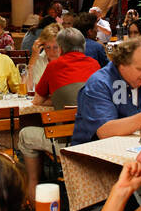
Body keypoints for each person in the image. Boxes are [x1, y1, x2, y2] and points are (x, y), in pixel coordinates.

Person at [18, 26, 99, 193]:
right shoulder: (94, 64)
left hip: (65, 142)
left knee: (25, 135)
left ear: (61, 48)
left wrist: (55, 98)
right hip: (93, 139)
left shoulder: (54, 67)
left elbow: (37, 100)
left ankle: (33, 187)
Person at [72, 37, 141, 145]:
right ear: (122, 65)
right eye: (140, 69)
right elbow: (105, 131)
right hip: (93, 156)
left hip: (138, 148)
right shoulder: (100, 84)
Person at [25, 23, 61, 89]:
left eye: (55, 47)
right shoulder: (39, 59)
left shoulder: (69, 60)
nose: (51, 51)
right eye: (48, 47)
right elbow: (27, 88)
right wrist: (33, 57)